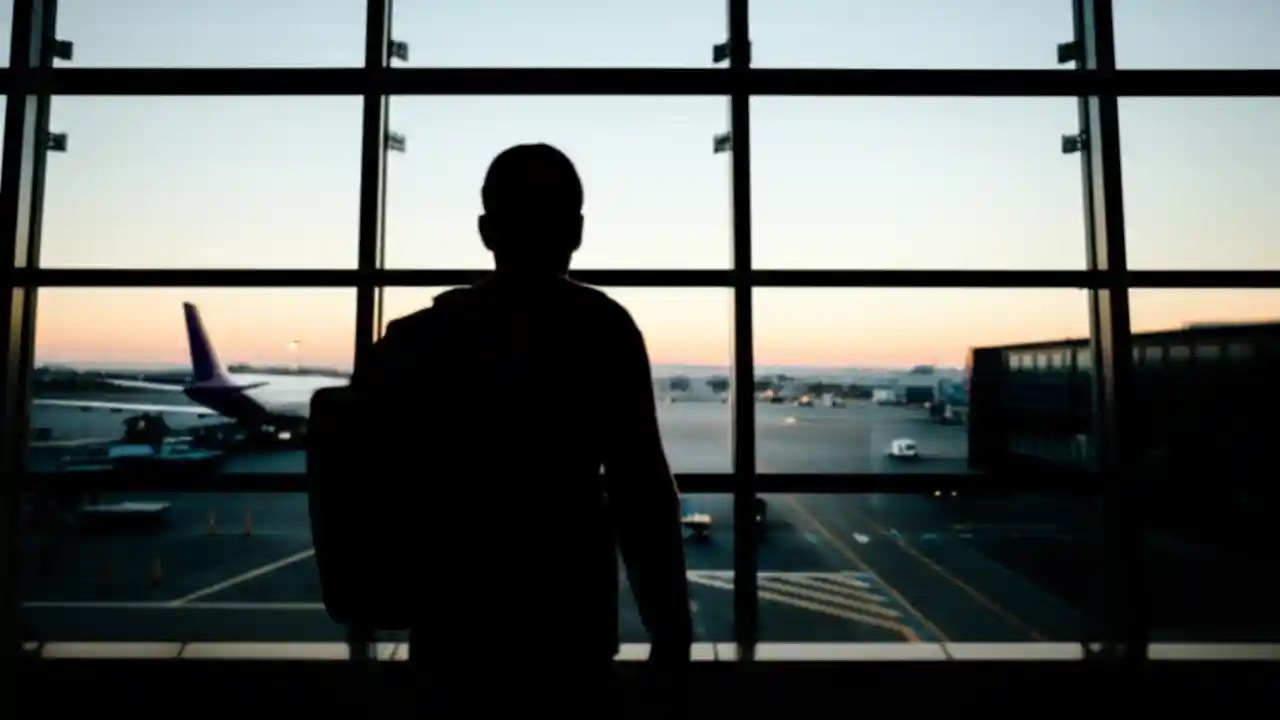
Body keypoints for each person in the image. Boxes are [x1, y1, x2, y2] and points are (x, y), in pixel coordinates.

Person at [350, 143, 693, 716]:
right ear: (577, 232)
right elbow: (642, 490)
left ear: (487, 231)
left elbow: (362, 476)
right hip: (568, 621)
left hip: (454, 621)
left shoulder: (420, 338)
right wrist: (670, 627)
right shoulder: (605, 331)